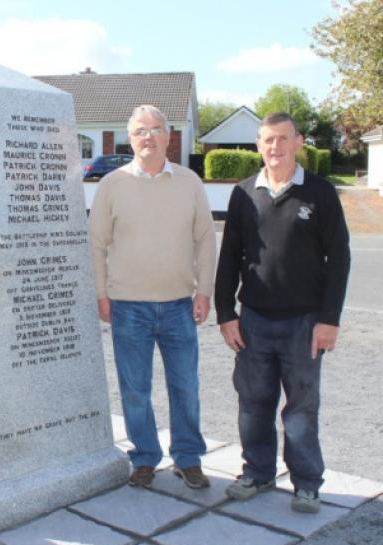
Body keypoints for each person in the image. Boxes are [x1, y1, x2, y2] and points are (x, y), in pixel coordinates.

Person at [215, 112, 350, 513]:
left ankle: (307, 483)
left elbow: (339, 259)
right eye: (267, 140)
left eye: (282, 139)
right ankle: (257, 472)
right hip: (253, 319)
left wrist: (329, 319)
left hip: (305, 323)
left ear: (298, 142)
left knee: (302, 407)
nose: (274, 147)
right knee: (253, 402)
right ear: (258, 145)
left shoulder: (320, 193)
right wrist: (226, 312)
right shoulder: (243, 193)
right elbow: (229, 258)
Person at [89, 105, 216, 490]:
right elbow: (96, 245)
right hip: (128, 307)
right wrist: (101, 294)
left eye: (155, 129)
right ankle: (144, 457)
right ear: (131, 139)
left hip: (179, 303)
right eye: (141, 131)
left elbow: (205, 239)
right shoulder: (111, 185)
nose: (148, 137)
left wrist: (205, 290)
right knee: (135, 390)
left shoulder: (190, 182)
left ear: (168, 136)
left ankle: (188, 458)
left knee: (185, 387)